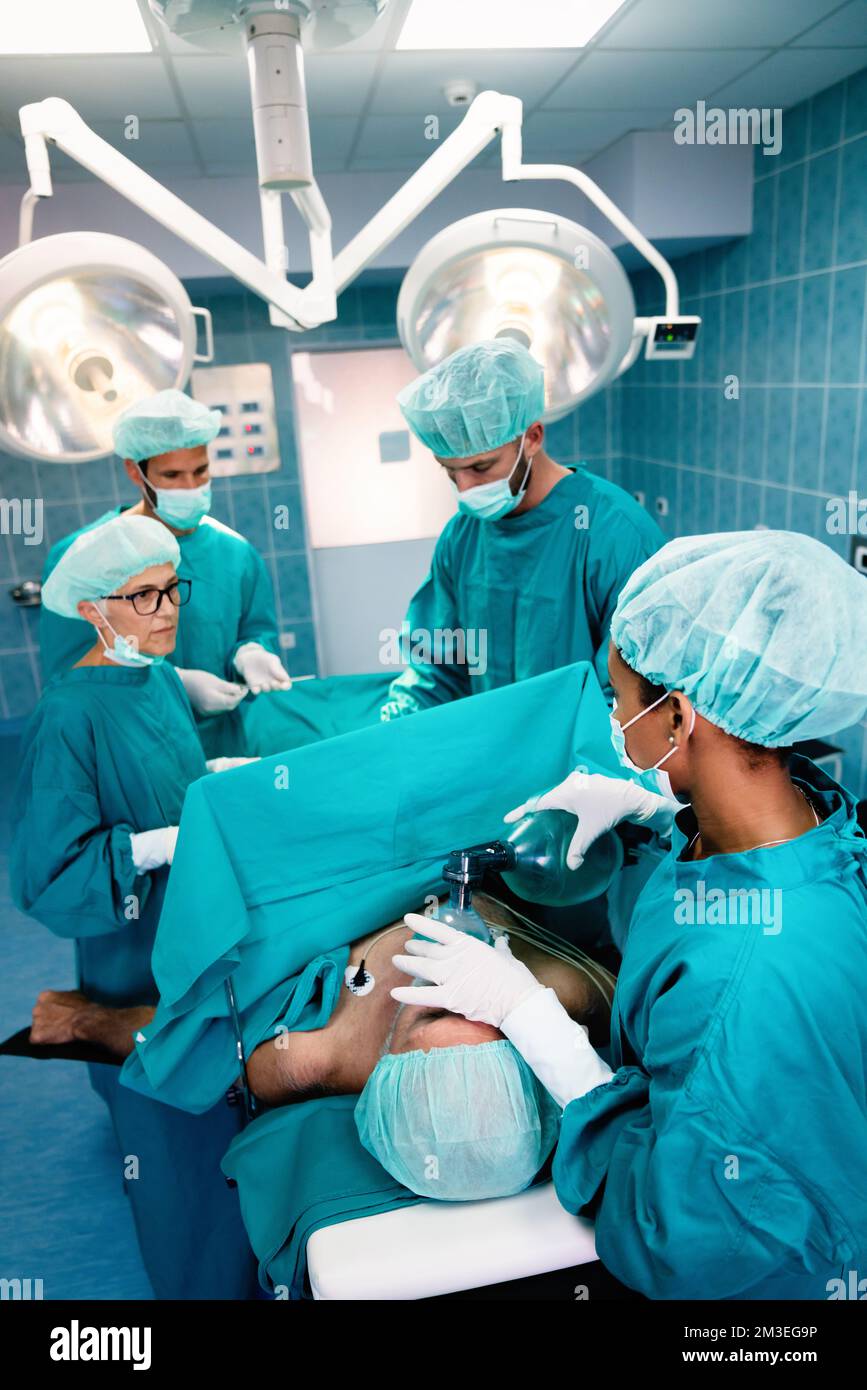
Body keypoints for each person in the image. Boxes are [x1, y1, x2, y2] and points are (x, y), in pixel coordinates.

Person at [392, 530, 867, 1300]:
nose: (614, 720)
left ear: (677, 718)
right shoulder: (813, 824)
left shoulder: (740, 981)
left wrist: (529, 1017)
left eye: (616, 699)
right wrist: (648, 808)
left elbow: (678, 1237)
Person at [12, 512, 258, 1300]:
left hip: (193, 924)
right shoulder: (67, 717)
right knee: (169, 1128)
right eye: (142, 597)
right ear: (92, 609)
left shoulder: (155, 675)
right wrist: (151, 848)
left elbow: (170, 772)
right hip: (129, 939)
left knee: (218, 1096)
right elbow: (48, 877)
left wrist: (222, 774)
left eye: (170, 590)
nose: (166, 611)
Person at [28, 893, 614, 1204]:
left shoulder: (309, 1059)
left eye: (430, 1013)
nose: (447, 994)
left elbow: (185, 1044)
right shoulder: (571, 995)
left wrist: (92, 1024)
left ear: (386, 1069)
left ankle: (75, 1019)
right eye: (484, 1019)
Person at [381, 339, 663, 718]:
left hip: (582, 767)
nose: (465, 489)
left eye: (481, 467)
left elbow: (635, 699)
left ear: (532, 437)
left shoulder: (615, 533)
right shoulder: (462, 537)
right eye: (450, 471)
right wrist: (400, 730)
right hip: (494, 755)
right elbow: (439, 668)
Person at [39, 389, 290, 756]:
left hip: (224, 739)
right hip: (133, 745)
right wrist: (173, 684)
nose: (191, 487)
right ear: (134, 471)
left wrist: (250, 652)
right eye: (172, 474)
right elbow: (69, 673)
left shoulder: (235, 553)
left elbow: (256, 627)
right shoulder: (84, 559)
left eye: (200, 471)